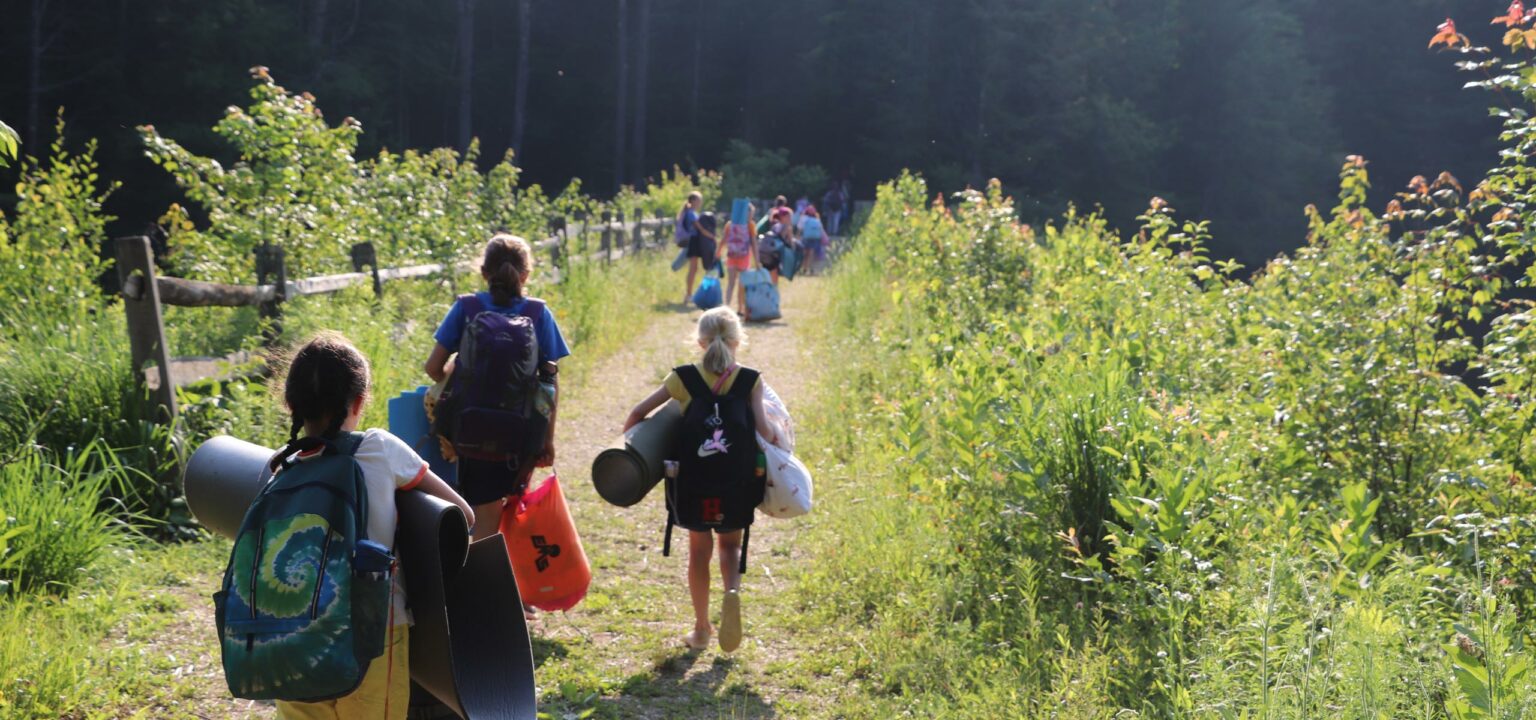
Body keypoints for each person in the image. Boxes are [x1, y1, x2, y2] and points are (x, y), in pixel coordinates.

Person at [275, 332, 475, 720]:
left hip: (289, 631)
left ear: (291, 404)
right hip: (373, 629)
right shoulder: (379, 448)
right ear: (360, 401)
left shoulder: (279, 467)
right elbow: (462, 514)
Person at [622, 308, 778, 652]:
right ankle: (732, 590)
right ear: (738, 342)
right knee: (730, 546)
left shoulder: (682, 378)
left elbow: (638, 412)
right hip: (736, 480)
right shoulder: (750, 379)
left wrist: (632, 448)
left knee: (698, 552)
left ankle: (701, 627)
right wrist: (780, 437)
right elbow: (765, 430)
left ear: (699, 341)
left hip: (693, 480)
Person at [424, 234, 570, 542]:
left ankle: (478, 582)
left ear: (483, 272)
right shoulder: (538, 314)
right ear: (525, 275)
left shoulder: (466, 308)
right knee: (509, 515)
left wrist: (457, 377)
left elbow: (433, 368)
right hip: (521, 435)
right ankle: (496, 584)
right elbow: (550, 384)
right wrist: (548, 440)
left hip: (469, 433)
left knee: (483, 519)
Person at [679, 192, 718, 305]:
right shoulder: (691, 213)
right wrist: (712, 237)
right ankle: (689, 294)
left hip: (697, 241)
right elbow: (700, 229)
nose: (700, 203)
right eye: (699, 200)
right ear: (694, 201)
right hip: (694, 242)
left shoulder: (692, 212)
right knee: (693, 269)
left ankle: (695, 294)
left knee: (695, 269)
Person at [722, 202, 758, 316]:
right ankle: (740, 308)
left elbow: (724, 240)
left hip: (731, 257)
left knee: (730, 283)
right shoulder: (750, 225)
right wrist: (757, 261)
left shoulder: (730, 224)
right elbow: (754, 244)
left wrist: (717, 252)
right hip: (744, 257)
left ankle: (726, 307)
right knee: (742, 284)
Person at [797, 205, 827, 275]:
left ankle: (803, 268)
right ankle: (810, 269)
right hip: (815, 238)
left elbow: (800, 228)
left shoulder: (803, 218)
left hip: (806, 237)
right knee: (811, 254)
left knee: (804, 254)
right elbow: (821, 229)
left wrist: (797, 236)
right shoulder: (817, 219)